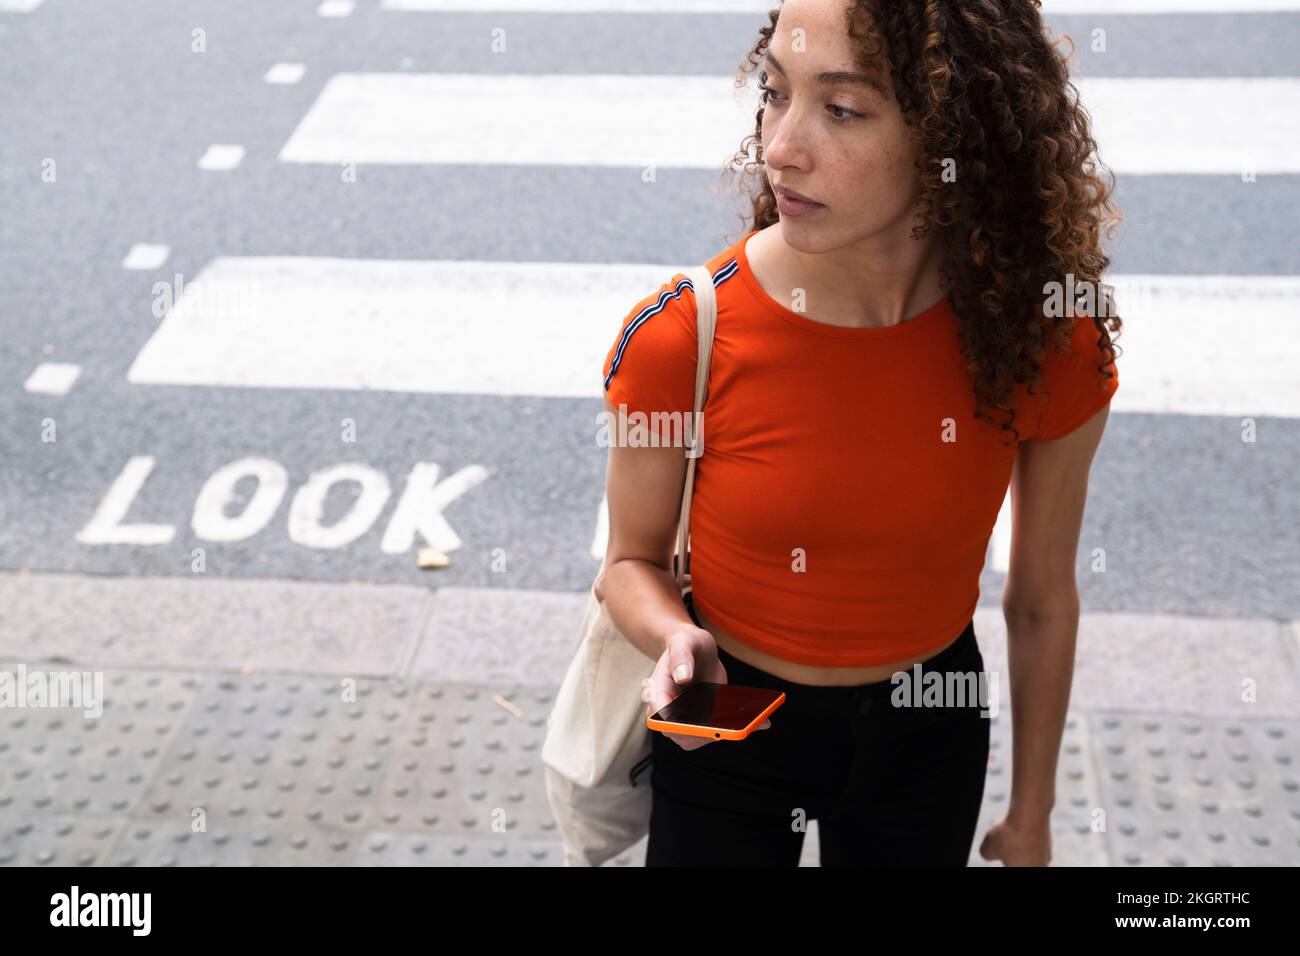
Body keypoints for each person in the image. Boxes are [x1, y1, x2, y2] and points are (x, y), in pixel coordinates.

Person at [599, 0, 1122, 867]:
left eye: (841, 109)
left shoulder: (1048, 340)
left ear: (958, 136)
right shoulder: (681, 334)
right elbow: (628, 564)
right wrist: (672, 635)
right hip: (727, 718)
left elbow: (1040, 599)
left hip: (931, 724)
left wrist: (1033, 814)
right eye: (774, 93)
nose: (780, 146)